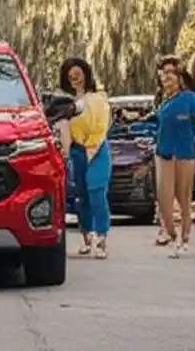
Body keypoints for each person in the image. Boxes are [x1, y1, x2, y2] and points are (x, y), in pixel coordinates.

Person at [60, 57, 112, 259]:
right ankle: (86, 237)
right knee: (82, 195)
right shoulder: (66, 102)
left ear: (86, 75)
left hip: (97, 149)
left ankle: (101, 238)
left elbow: (101, 125)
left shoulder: (98, 98)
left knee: (96, 191)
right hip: (76, 150)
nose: (75, 80)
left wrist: (92, 145)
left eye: (78, 75)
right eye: (71, 77)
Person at [155, 64, 195, 257]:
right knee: (164, 196)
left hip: (183, 151)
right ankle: (170, 232)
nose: (165, 77)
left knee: (183, 196)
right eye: (164, 74)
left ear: (180, 78)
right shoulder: (164, 101)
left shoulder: (189, 99)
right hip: (164, 152)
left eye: (170, 74)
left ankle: (182, 238)